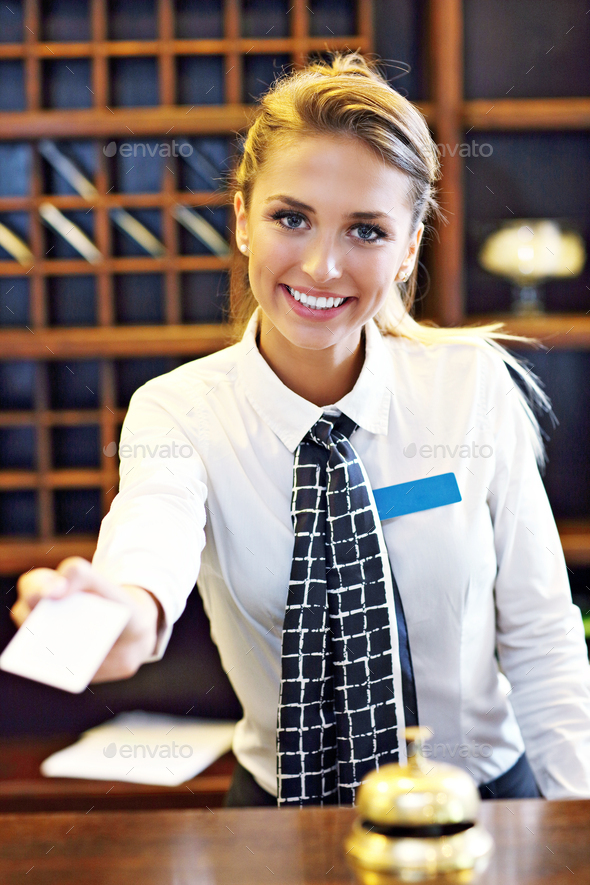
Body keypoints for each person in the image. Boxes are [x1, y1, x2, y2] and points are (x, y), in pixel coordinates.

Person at [12, 52, 590, 805]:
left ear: (409, 246)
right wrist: (123, 611)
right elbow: (151, 539)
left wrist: (574, 824)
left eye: (366, 230)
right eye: (292, 218)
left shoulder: (471, 386)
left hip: (481, 803)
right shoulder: (178, 411)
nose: (322, 265)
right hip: (282, 814)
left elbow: (543, 635)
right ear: (243, 220)